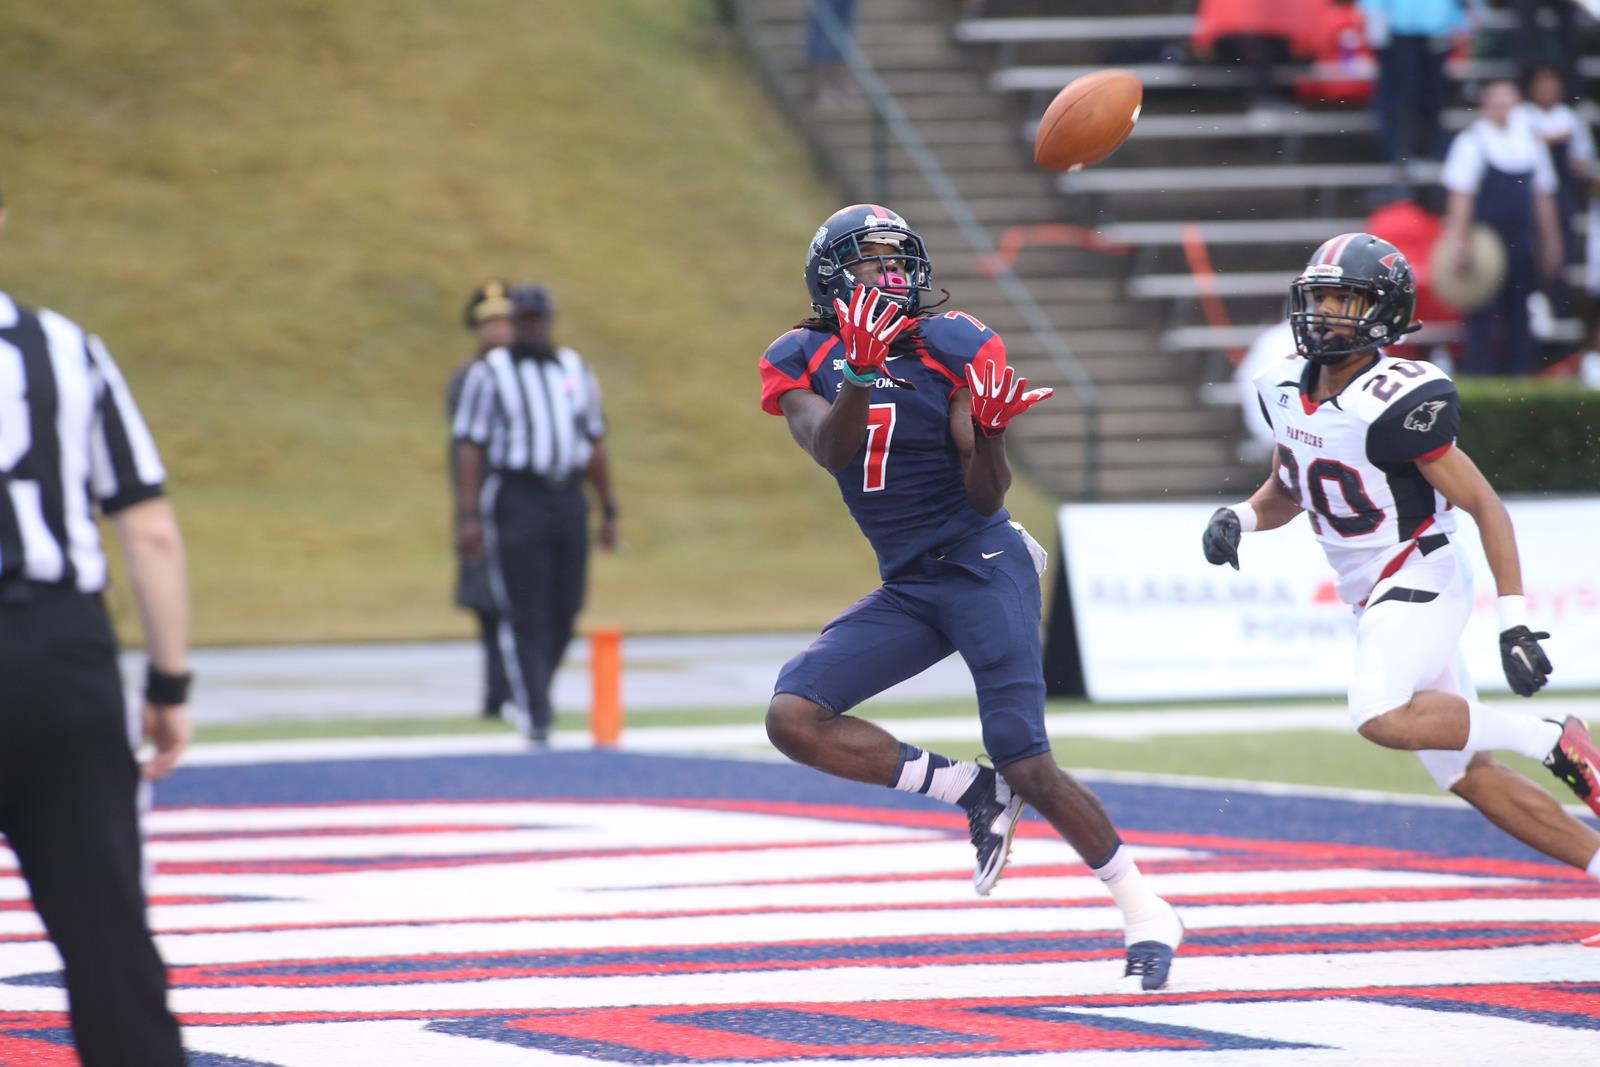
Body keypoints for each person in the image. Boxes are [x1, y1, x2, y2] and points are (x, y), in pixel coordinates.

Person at [759, 204, 1184, 991]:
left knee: (1028, 759)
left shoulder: (952, 344)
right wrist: (856, 370)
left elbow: (987, 496)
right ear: (829, 277)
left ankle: (1146, 908)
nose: (887, 276)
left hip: (983, 560)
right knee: (793, 715)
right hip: (913, 581)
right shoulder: (801, 355)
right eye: (867, 263)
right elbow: (831, 449)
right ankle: (967, 787)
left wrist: (987, 435)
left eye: (897, 261)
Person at [1201, 232, 1600, 890]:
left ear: (1382, 311)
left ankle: (1551, 735)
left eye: (1345, 299)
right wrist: (1239, 517)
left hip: (1419, 571)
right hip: (1375, 593)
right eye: (1320, 296)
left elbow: (1485, 505)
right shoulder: (1283, 387)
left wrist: (1516, 621)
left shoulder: (1395, 397)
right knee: (1469, 775)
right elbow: (1292, 485)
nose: (1326, 312)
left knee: (1377, 712)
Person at [0, 193, 190, 1063]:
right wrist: (167, 682)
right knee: (107, 934)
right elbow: (148, 529)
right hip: (58, 653)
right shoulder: (67, 350)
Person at [451, 283, 618, 746]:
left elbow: (594, 440)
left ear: (548, 320)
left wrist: (608, 509)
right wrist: (468, 516)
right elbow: (470, 443)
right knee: (525, 609)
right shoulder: (491, 373)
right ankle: (536, 715)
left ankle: (533, 693)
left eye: (535, 318)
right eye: (521, 319)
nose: (529, 326)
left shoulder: (573, 367)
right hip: (517, 494)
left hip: (567, 496)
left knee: (567, 608)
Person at [1441, 79, 1565, 375]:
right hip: (1485, 243)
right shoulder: (1473, 141)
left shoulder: (1530, 141)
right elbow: (1461, 198)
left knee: (1520, 312)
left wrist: (1551, 242)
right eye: (1496, 104)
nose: (1502, 110)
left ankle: (1519, 375)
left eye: (1508, 104)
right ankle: (1480, 375)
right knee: (1481, 314)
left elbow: (1543, 196)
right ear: (1486, 107)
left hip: (1521, 240)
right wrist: (1459, 244)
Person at [449, 280, 514, 720]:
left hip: (524, 505)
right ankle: (497, 695)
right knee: (490, 607)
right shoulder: (469, 380)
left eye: (503, 320)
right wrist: (468, 512)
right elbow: (465, 447)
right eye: (488, 322)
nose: (497, 330)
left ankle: (519, 691)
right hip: (486, 505)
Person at [1359, 0, 1481, 165]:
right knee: (1402, 97)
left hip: (1438, 29)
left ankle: (1426, 149)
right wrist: (1375, 20)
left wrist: (1460, 21)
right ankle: (1398, 152)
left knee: (1433, 96)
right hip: (1399, 29)